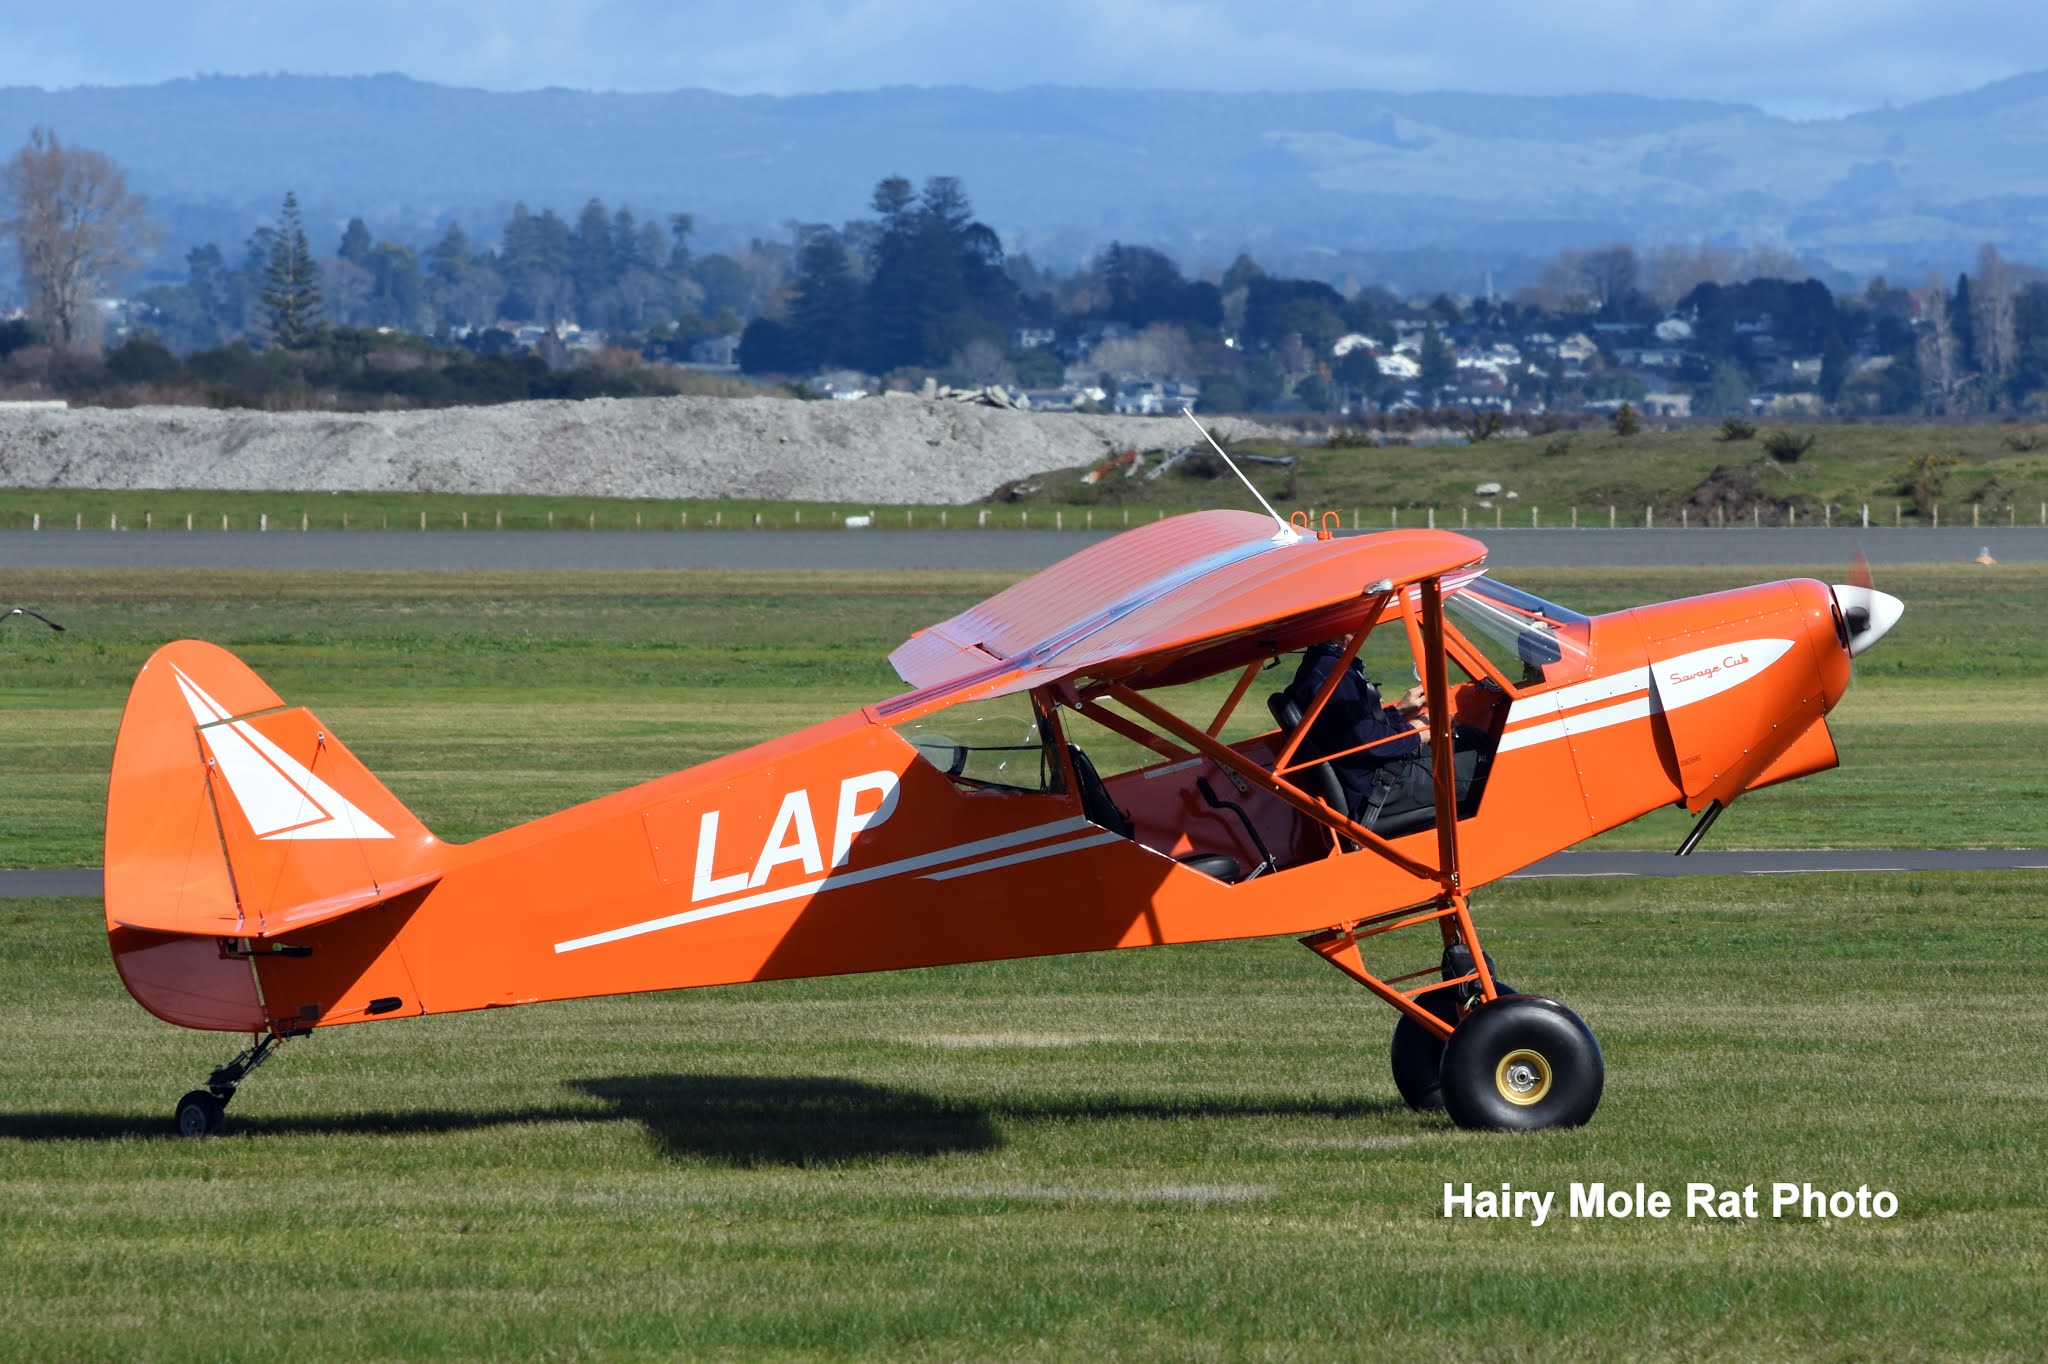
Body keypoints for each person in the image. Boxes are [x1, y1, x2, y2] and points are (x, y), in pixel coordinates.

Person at [1283, 640, 1440, 828]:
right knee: (1472, 765)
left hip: (1371, 781)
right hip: (1375, 792)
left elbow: (1351, 730)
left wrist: (1398, 713)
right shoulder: (1332, 673)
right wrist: (1416, 732)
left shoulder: (1321, 665)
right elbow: (1366, 743)